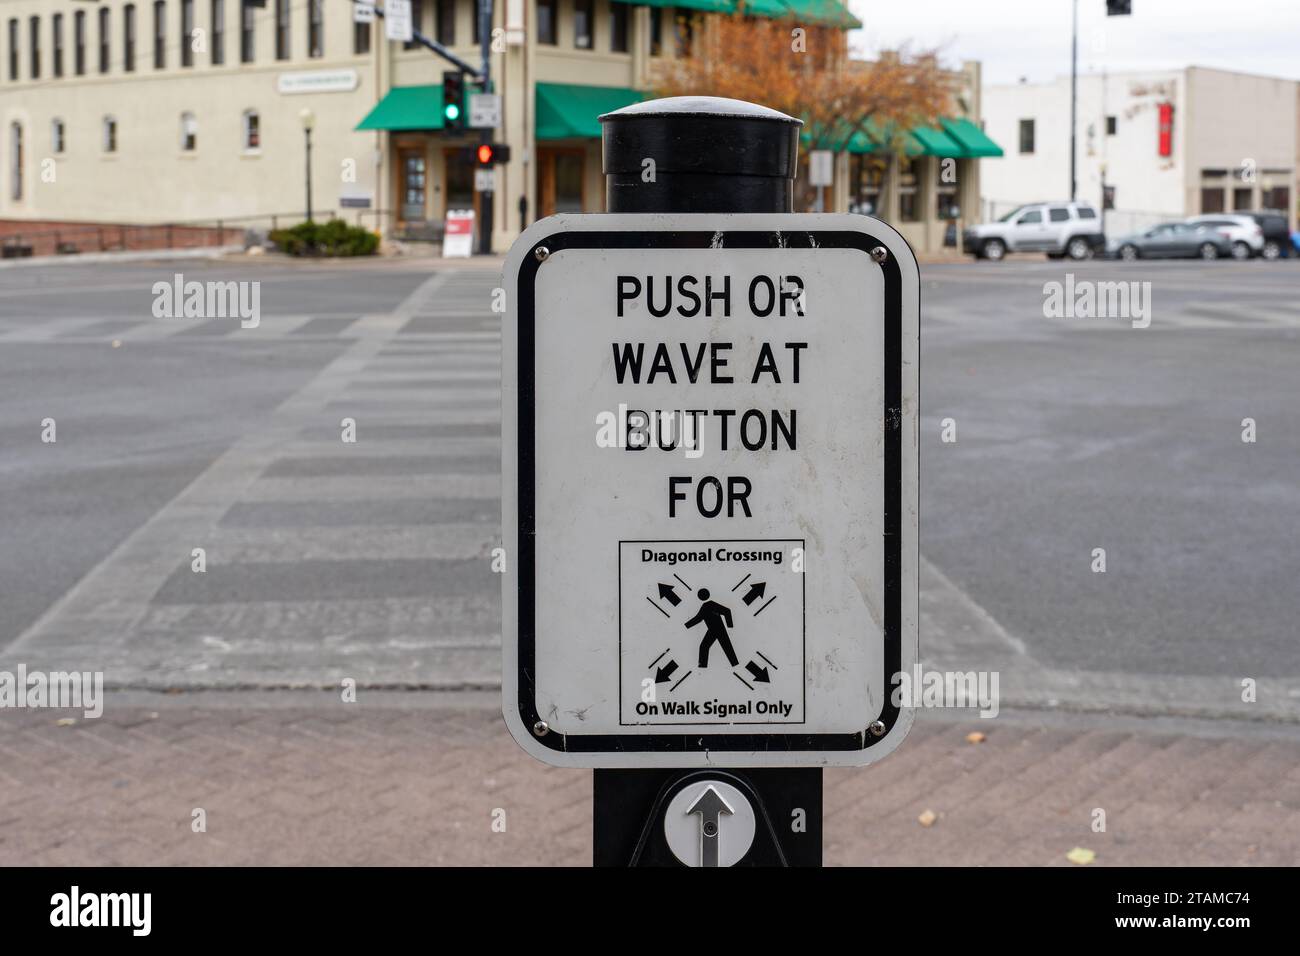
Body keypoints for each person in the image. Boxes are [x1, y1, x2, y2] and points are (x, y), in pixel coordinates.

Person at [684, 588, 738, 668]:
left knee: (724, 647)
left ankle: (703, 666)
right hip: (713, 630)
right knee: (705, 646)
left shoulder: (710, 604)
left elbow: (727, 611)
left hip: (718, 629)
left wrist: (730, 626)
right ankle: (702, 667)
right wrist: (686, 626)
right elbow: (698, 618)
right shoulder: (706, 606)